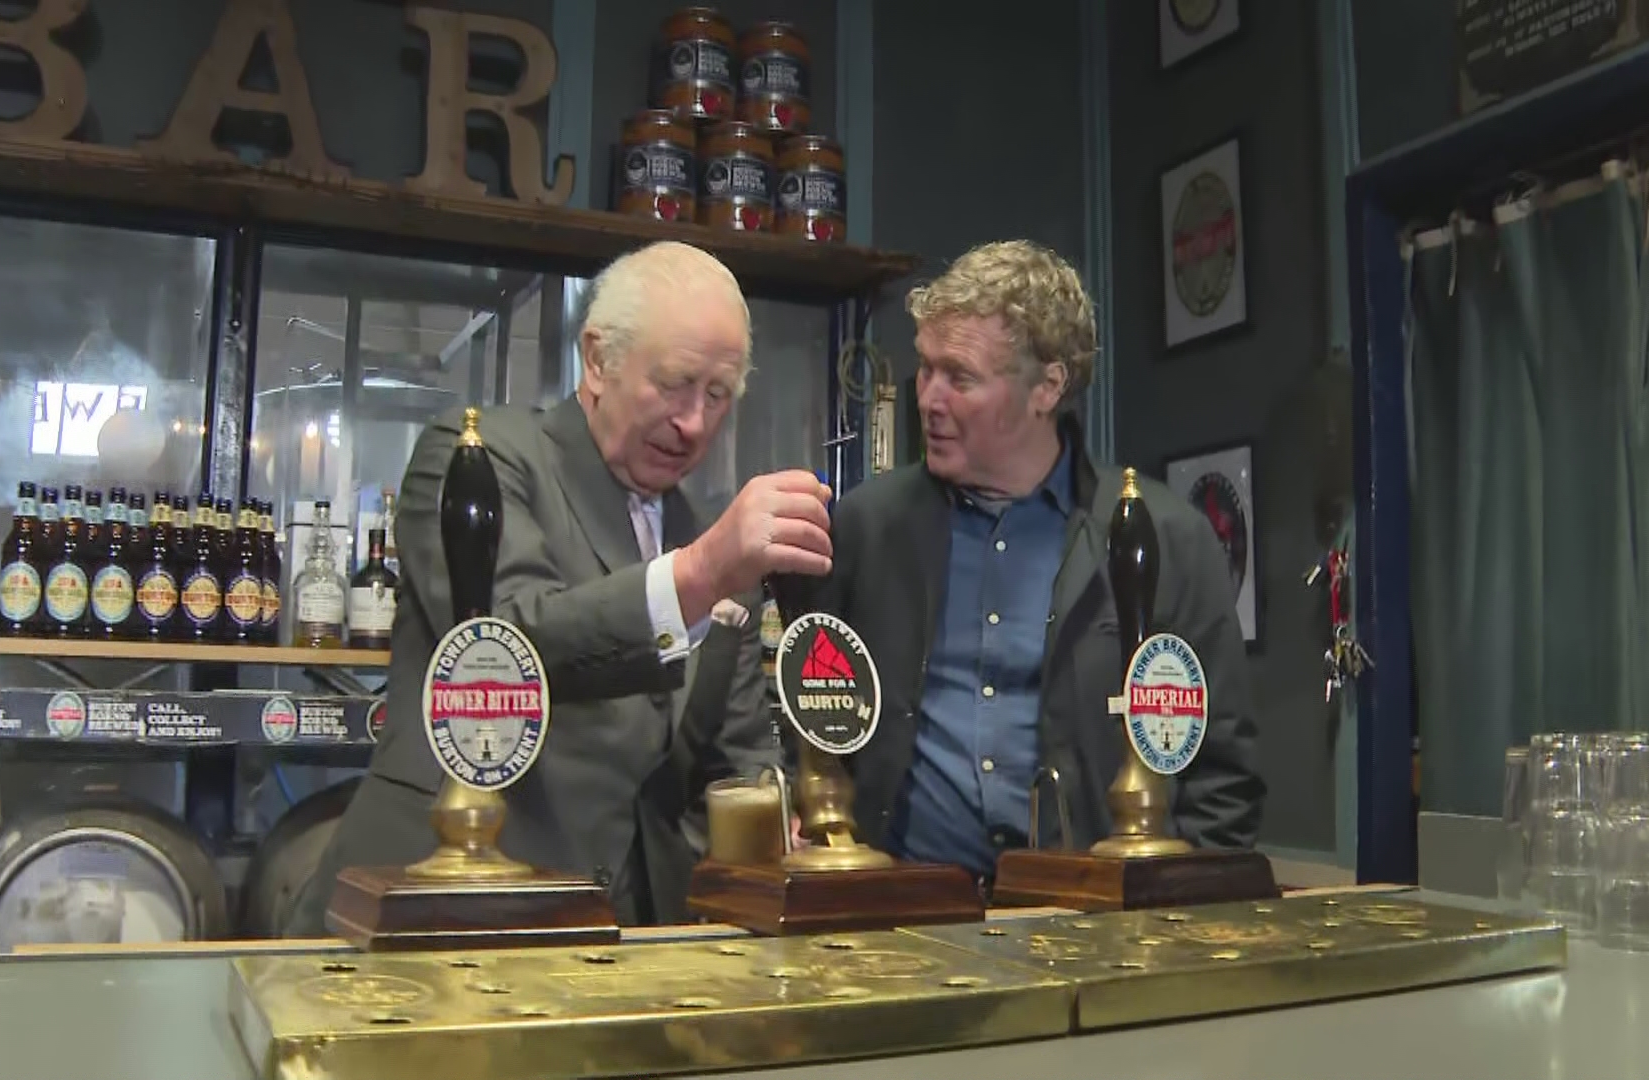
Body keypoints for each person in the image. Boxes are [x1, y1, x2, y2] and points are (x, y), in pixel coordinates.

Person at [287, 241, 834, 932]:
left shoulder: (699, 534)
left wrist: (774, 820)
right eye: (673, 383)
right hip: (430, 908)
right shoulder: (477, 458)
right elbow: (510, 642)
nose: (694, 421)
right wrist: (701, 573)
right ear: (598, 359)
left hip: (613, 935)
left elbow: (735, 755)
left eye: (718, 395)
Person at [805, 240, 1265, 882]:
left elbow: (1224, 780)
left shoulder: (1162, 537)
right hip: (904, 919)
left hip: (1094, 929)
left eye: (960, 377)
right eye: (925, 369)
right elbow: (812, 722)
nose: (930, 398)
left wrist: (1160, 917)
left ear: (1048, 386)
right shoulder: (868, 527)